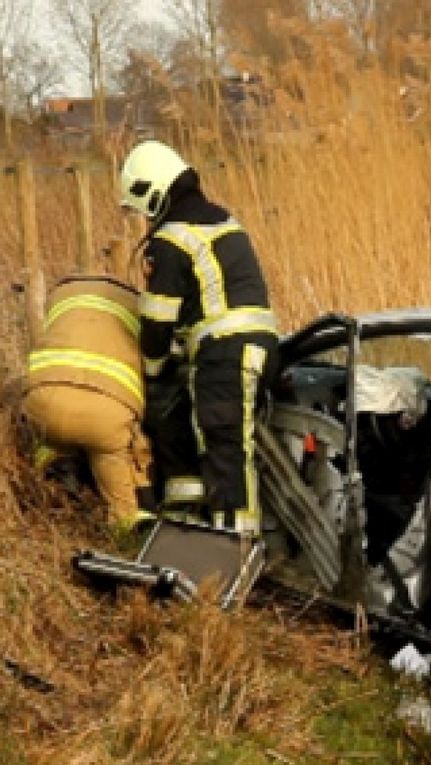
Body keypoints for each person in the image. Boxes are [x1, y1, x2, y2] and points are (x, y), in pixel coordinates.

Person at [119, 140, 279, 535]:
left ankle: (235, 553)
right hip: (262, 346)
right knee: (230, 449)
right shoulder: (224, 220)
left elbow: (157, 323)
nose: (145, 221)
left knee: (226, 456)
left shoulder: (170, 240)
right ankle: (200, 535)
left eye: (144, 211)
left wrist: (153, 372)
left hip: (225, 356)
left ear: (153, 193)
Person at [23, 274, 157, 533]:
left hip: (43, 404)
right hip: (105, 418)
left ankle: (51, 476)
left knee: (46, 436)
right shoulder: (138, 308)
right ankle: (125, 530)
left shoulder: (61, 297)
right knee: (115, 466)